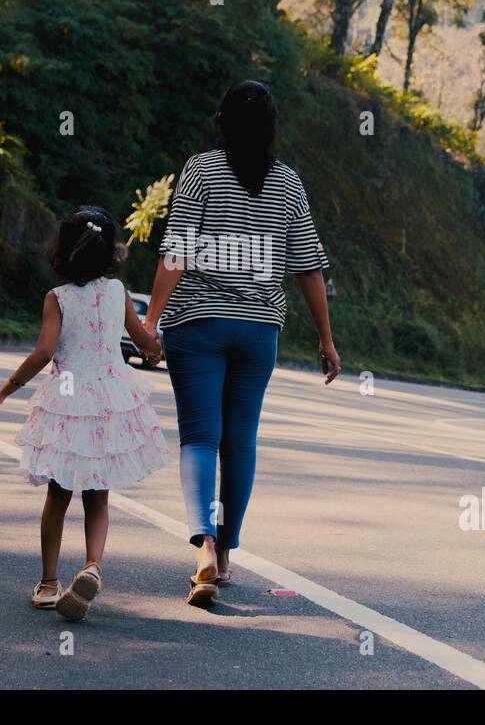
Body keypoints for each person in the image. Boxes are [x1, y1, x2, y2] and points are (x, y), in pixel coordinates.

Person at [142, 80, 340, 608]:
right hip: (257, 330)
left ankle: (203, 546)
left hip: (198, 325)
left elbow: (176, 252)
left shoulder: (202, 170)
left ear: (223, 121)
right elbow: (308, 269)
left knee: (200, 440)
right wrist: (326, 339)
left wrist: (152, 323)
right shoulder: (288, 184)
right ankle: (226, 554)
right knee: (241, 443)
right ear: (272, 126)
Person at [0, 206, 168, 621]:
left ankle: (49, 584)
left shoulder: (58, 298)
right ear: (109, 255)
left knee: (58, 495)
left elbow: (44, 352)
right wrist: (155, 351)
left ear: (63, 252)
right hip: (110, 399)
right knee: (98, 494)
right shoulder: (117, 293)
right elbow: (142, 340)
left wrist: (3, 393)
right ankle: (92, 567)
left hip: (68, 400)